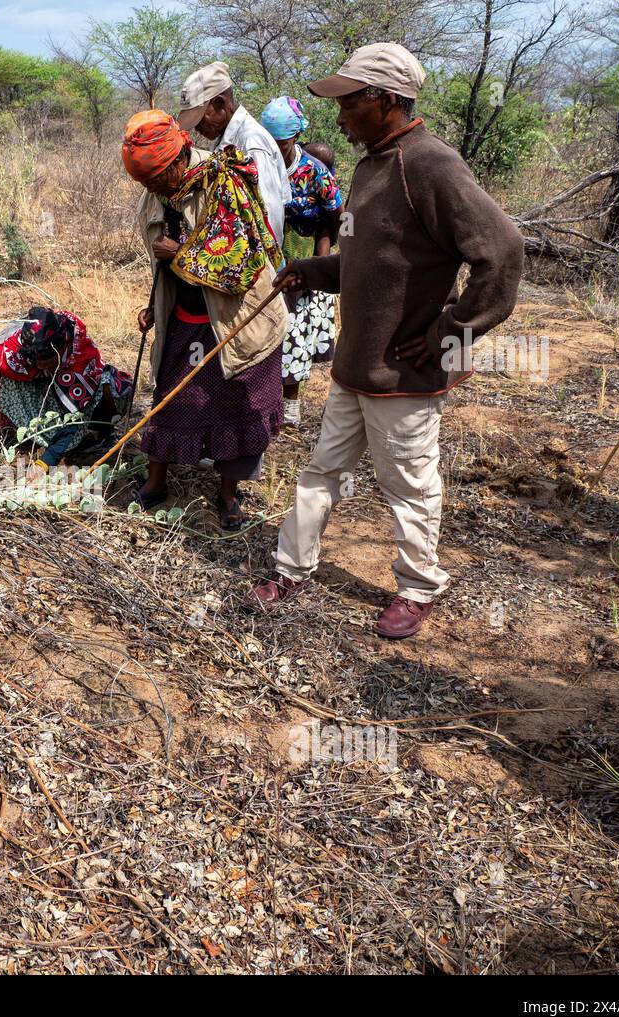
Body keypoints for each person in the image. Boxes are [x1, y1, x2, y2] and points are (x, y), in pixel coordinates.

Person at [246, 43, 525, 638]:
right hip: (355, 364)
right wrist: (316, 270)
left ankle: (419, 588)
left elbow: (502, 252)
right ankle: (292, 568)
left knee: (409, 486)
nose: (340, 118)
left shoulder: (431, 165)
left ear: (385, 100)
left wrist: (452, 330)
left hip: (403, 371)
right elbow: (373, 260)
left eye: (349, 103)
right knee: (321, 471)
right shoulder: (374, 162)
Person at [123, 110, 288, 531]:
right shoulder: (156, 194)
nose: (154, 188)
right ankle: (156, 482)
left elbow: (238, 264)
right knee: (170, 398)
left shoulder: (223, 182)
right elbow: (161, 261)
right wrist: (156, 304)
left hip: (238, 319)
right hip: (187, 314)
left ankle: (228, 494)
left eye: (159, 178)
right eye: (147, 182)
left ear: (179, 158)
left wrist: (177, 255)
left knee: (236, 403)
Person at [0, 294, 132, 468]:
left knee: (111, 387)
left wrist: (44, 463)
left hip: (85, 407)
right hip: (47, 398)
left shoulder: (79, 352)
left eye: (46, 360)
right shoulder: (24, 341)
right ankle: (36, 435)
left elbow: (74, 418)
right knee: (0, 378)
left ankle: (104, 433)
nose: (39, 365)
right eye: (35, 360)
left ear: (59, 349)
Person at [261, 97, 344, 426]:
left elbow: (336, 215)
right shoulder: (258, 162)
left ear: (295, 138)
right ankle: (265, 399)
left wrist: (320, 266)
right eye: (271, 142)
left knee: (296, 330)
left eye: (281, 143)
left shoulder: (315, 172)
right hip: (269, 253)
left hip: (306, 253)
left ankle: (290, 404)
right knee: (267, 328)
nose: (276, 149)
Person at [176, 63, 289, 253]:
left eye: (200, 118)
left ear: (220, 104)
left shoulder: (251, 143)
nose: (196, 128)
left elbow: (270, 217)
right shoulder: (224, 140)